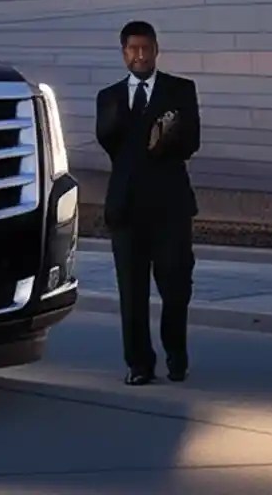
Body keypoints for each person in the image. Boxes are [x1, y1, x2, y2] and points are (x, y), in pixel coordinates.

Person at [95, 20, 200, 385]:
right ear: (124, 53)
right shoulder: (108, 97)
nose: (140, 55)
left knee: (175, 288)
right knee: (132, 293)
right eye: (132, 49)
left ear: (156, 49)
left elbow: (190, 143)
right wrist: (147, 134)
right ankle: (139, 363)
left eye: (146, 48)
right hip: (126, 209)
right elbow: (110, 144)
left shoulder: (181, 91)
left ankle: (176, 355)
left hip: (170, 208)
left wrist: (164, 137)